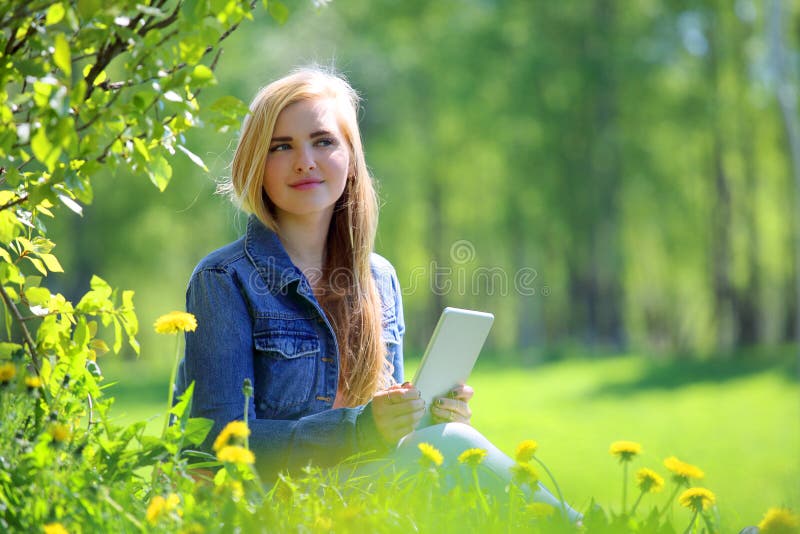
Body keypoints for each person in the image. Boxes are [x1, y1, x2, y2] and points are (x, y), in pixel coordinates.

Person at [174, 67, 580, 522]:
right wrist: (361, 429)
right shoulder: (224, 279)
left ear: (350, 156)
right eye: (281, 146)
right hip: (275, 506)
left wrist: (423, 417)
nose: (305, 160)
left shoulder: (378, 278)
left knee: (452, 453)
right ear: (255, 163)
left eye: (323, 141)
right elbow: (214, 443)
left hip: (364, 495)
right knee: (460, 459)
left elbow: (389, 431)